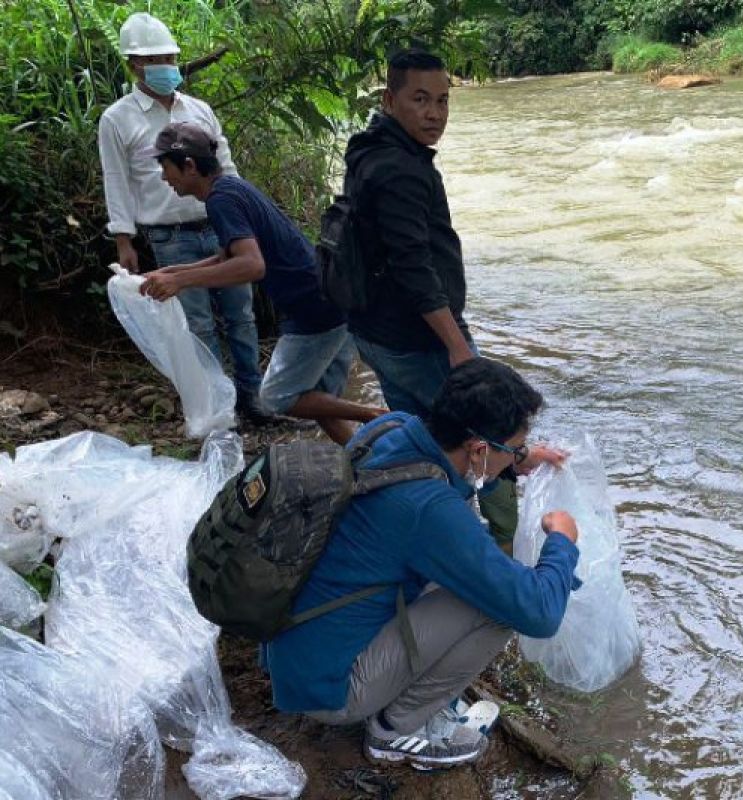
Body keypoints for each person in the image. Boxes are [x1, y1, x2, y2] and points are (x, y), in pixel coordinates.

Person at [262, 358, 579, 769]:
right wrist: (562, 542)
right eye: (514, 447)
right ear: (479, 449)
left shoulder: (391, 428)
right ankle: (395, 730)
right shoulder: (428, 510)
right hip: (329, 689)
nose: (519, 454)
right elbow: (538, 613)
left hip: (294, 647)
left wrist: (516, 462)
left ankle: (400, 696)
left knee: (476, 572)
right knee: (499, 608)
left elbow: (459, 477)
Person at [342, 48, 521, 547]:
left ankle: (437, 529)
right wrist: (458, 348)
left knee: (425, 435)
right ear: (390, 99)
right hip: (417, 336)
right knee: (491, 432)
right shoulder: (401, 170)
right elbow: (413, 267)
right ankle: (505, 548)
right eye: (420, 99)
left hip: (376, 330)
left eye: (443, 101)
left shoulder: (367, 150)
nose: (434, 114)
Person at [139, 122, 385, 445]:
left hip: (314, 308)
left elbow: (252, 265)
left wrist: (180, 280)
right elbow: (226, 257)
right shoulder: (231, 188)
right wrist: (171, 274)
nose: (163, 177)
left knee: (274, 397)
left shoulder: (220, 200)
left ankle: (376, 416)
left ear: (188, 166)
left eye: (165, 167)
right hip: (332, 297)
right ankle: (364, 457)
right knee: (318, 398)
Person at [98, 12, 270, 425]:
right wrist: (124, 240)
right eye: (156, 58)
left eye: (170, 56)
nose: (167, 65)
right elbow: (116, 181)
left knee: (241, 316)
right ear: (134, 65)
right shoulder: (117, 119)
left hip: (222, 227)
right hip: (168, 235)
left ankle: (254, 399)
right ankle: (219, 408)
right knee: (197, 327)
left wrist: (245, 217)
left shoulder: (198, 110)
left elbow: (226, 166)